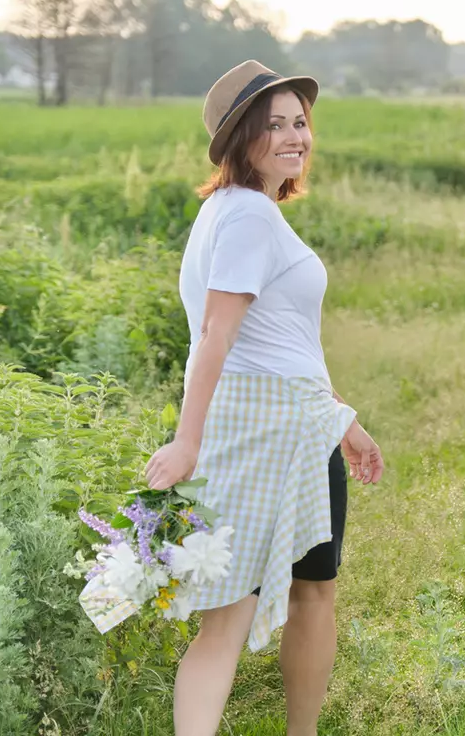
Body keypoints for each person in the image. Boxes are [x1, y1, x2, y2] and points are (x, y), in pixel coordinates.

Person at [143, 59, 386, 736]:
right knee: (267, 608)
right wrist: (187, 442)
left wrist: (346, 421)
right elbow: (216, 334)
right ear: (240, 137)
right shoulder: (249, 214)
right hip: (273, 439)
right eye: (273, 124)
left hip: (299, 425)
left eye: (299, 122)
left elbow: (282, 340)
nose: (293, 136)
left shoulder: (231, 209)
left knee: (273, 602)